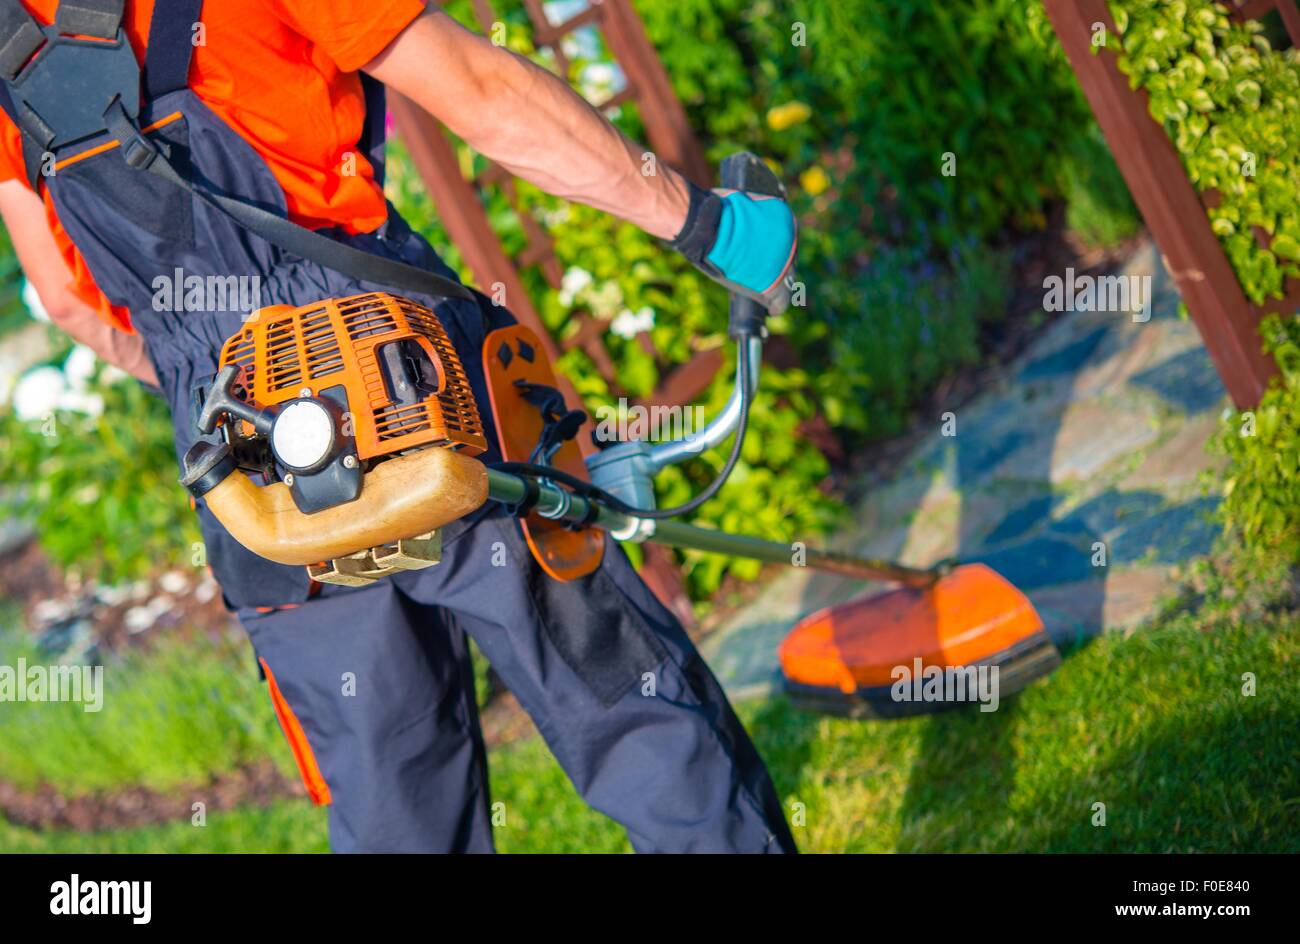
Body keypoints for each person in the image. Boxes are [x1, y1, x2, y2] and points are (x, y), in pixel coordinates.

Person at [0, 0, 798, 853]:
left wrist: (235, 385)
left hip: (239, 458)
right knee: (621, 703)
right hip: (411, 382)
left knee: (394, 797)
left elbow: (67, 303)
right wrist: (705, 222)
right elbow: (485, 92)